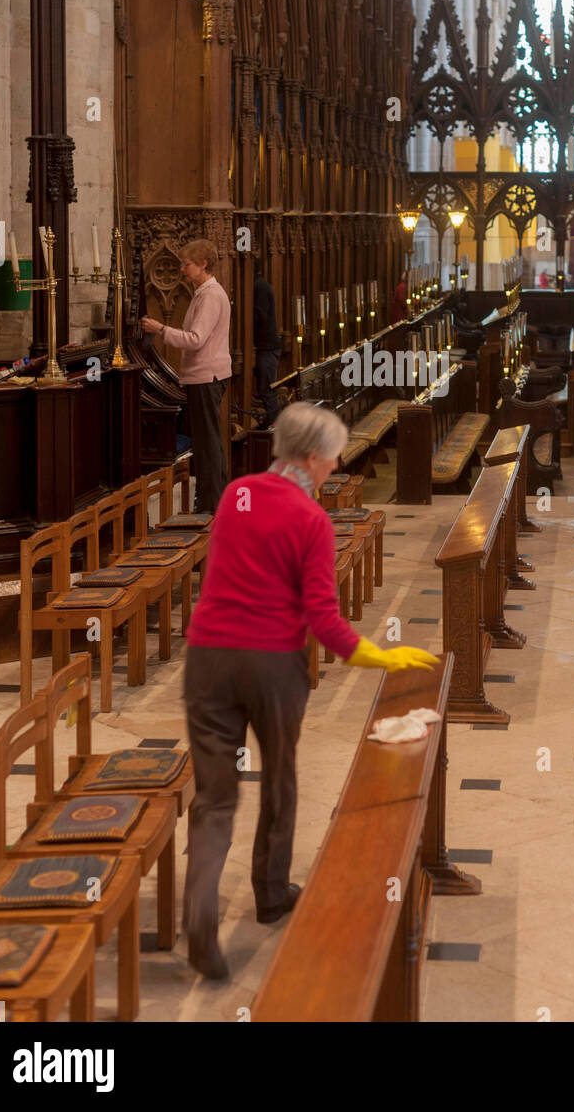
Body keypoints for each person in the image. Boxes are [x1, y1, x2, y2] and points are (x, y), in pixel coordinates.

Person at [181, 402, 437, 979]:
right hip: (271, 663)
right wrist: (377, 655)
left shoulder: (238, 494)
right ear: (315, 458)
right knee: (279, 780)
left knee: (215, 799)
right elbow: (324, 620)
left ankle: (199, 920)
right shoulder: (311, 519)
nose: (337, 466)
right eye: (334, 457)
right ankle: (270, 894)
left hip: (207, 658)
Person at [142, 238, 231, 514]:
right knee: (208, 441)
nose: (182, 269)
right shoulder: (204, 293)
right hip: (203, 375)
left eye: (187, 264)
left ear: (203, 264)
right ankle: (214, 501)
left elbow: (195, 339)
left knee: (207, 443)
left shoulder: (211, 295)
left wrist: (160, 329)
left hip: (207, 376)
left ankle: (211, 506)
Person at [253, 272, 281, 425]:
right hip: (263, 346)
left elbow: (260, 315)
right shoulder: (258, 285)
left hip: (267, 347)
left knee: (267, 390)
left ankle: (275, 432)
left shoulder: (260, 286)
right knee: (265, 390)